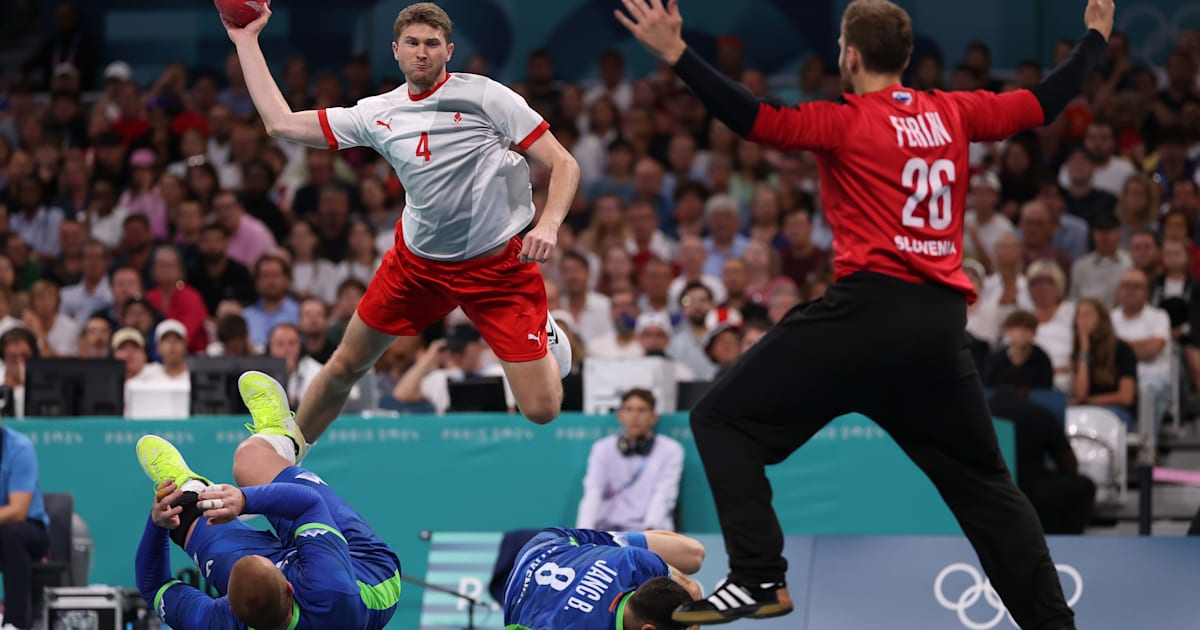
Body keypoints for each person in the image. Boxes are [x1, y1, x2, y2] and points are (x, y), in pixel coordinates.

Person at [616, 0, 1111, 625]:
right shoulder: (954, 111)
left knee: (720, 420)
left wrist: (679, 55)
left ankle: (759, 576)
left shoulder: (845, 121)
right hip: (936, 332)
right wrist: (1094, 40)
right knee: (986, 490)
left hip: (864, 319)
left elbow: (752, 118)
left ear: (849, 55)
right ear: (905, 57)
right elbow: (1045, 100)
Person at [223, 2, 576, 455]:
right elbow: (281, 123)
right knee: (347, 363)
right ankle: (290, 449)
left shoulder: (487, 97)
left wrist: (547, 225)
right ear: (395, 50)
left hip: (496, 268)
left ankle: (544, 330)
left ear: (449, 50)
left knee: (542, 409)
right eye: (412, 43)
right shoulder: (378, 113)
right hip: (416, 266)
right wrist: (246, 41)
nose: (422, 52)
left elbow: (564, 163)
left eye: (432, 44)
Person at [133, 398, 402, 629]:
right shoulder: (331, 590)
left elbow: (154, 585)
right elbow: (309, 504)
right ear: (288, 586)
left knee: (184, 513)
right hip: (364, 568)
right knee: (249, 460)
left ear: (232, 607)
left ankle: (186, 486)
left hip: (310, 592)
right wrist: (244, 499)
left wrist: (159, 521)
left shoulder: (220, 620)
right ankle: (280, 436)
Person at [502, 527, 704, 630]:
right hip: (546, 547)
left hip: (569, 557)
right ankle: (605, 541)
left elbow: (693, 591)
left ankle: (612, 541)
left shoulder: (636, 562)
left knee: (694, 555)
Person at [987, 368, 1095, 534]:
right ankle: (1067, 543)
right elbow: (1070, 465)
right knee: (1083, 487)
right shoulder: (1040, 414)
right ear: (1024, 389)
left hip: (988, 493)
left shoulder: (978, 415)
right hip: (1032, 494)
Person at [577, 388, 684, 532]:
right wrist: (583, 532)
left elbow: (664, 495)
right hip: (609, 530)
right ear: (620, 416)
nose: (634, 416)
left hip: (650, 531)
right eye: (629, 409)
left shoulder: (670, 450)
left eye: (641, 410)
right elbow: (593, 491)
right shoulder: (602, 448)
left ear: (653, 417)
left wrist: (649, 532)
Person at [0, 404, 49, 630]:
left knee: (9, 535)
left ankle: (15, 623)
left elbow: (18, 511)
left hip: (30, 529)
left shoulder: (19, 447)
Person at [1071, 298, 1137, 430]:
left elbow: (1126, 397)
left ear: (1102, 319)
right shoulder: (1078, 352)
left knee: (1094, 423)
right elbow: (1080, 394)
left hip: (1116, 411)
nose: (1083, 320)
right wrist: (1084, 352)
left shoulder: (1121, 349)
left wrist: (1090, 401)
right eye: (1079, 315)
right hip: (1086, 411)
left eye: (1088, 314)